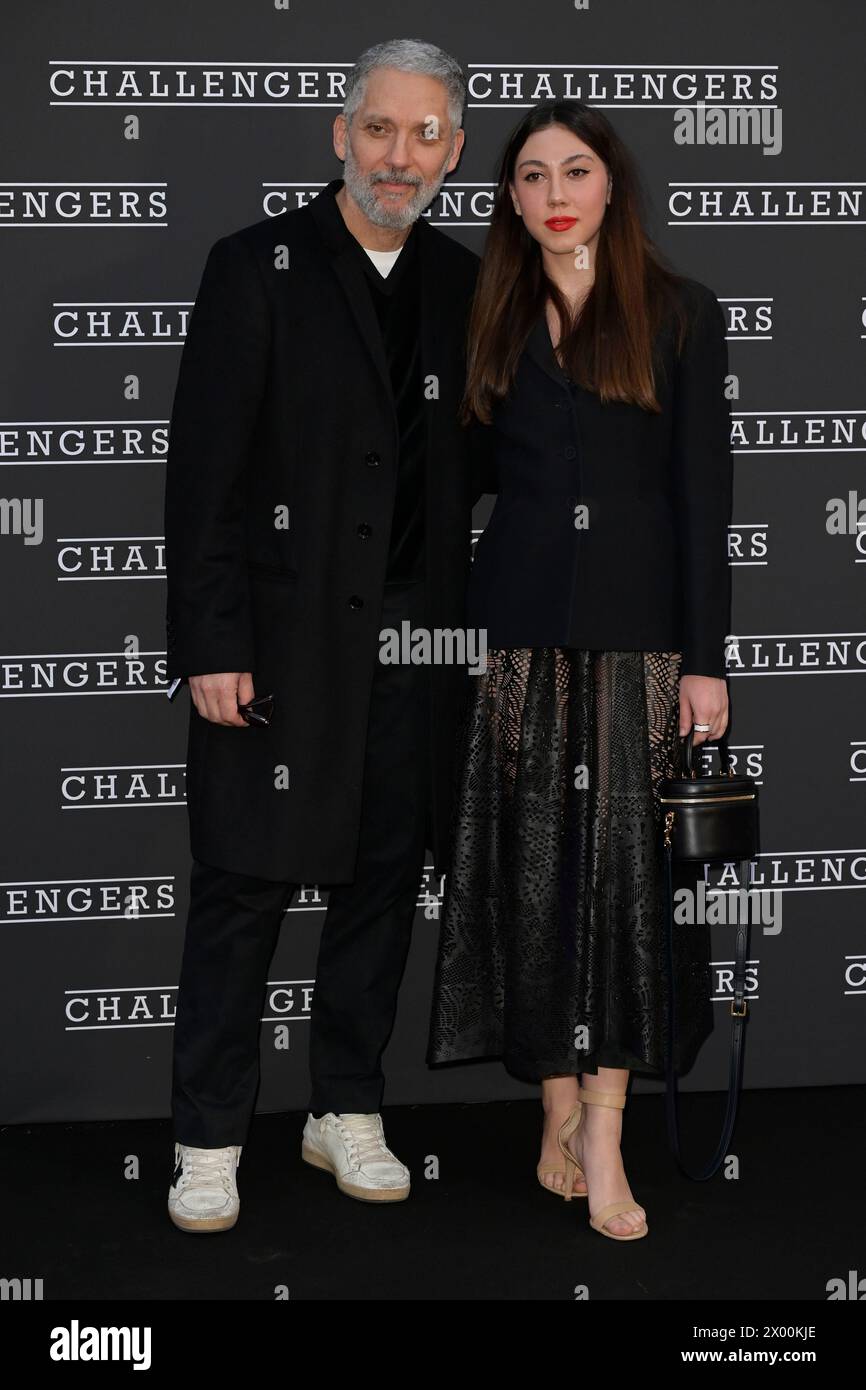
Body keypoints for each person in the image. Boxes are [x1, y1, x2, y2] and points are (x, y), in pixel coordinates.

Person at [163, 39, 489, 1232]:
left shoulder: (467, 285)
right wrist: (210, 639)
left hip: (417, 646)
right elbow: (201, 475)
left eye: (423, 136)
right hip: (276, 643)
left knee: (381, 884)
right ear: (336, 135)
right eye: (377, 129)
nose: (396, 155)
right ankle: (206, 1132)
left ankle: (343, 1105)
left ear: (454, 153)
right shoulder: (255, 268)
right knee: (244, 887)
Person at [427, 99, 733, 1241]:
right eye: (530, 176)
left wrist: (704, 663)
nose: (554, 191)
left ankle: (605, 1133)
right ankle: (553, 1108)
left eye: (576, 170)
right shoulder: (486, 317)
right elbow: (453, 483)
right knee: (528, 874)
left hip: (639, 647)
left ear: (611, 185)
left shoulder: (679, 314)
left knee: (619, 892)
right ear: (507, 200)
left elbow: (706, 503)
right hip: (514, 642)